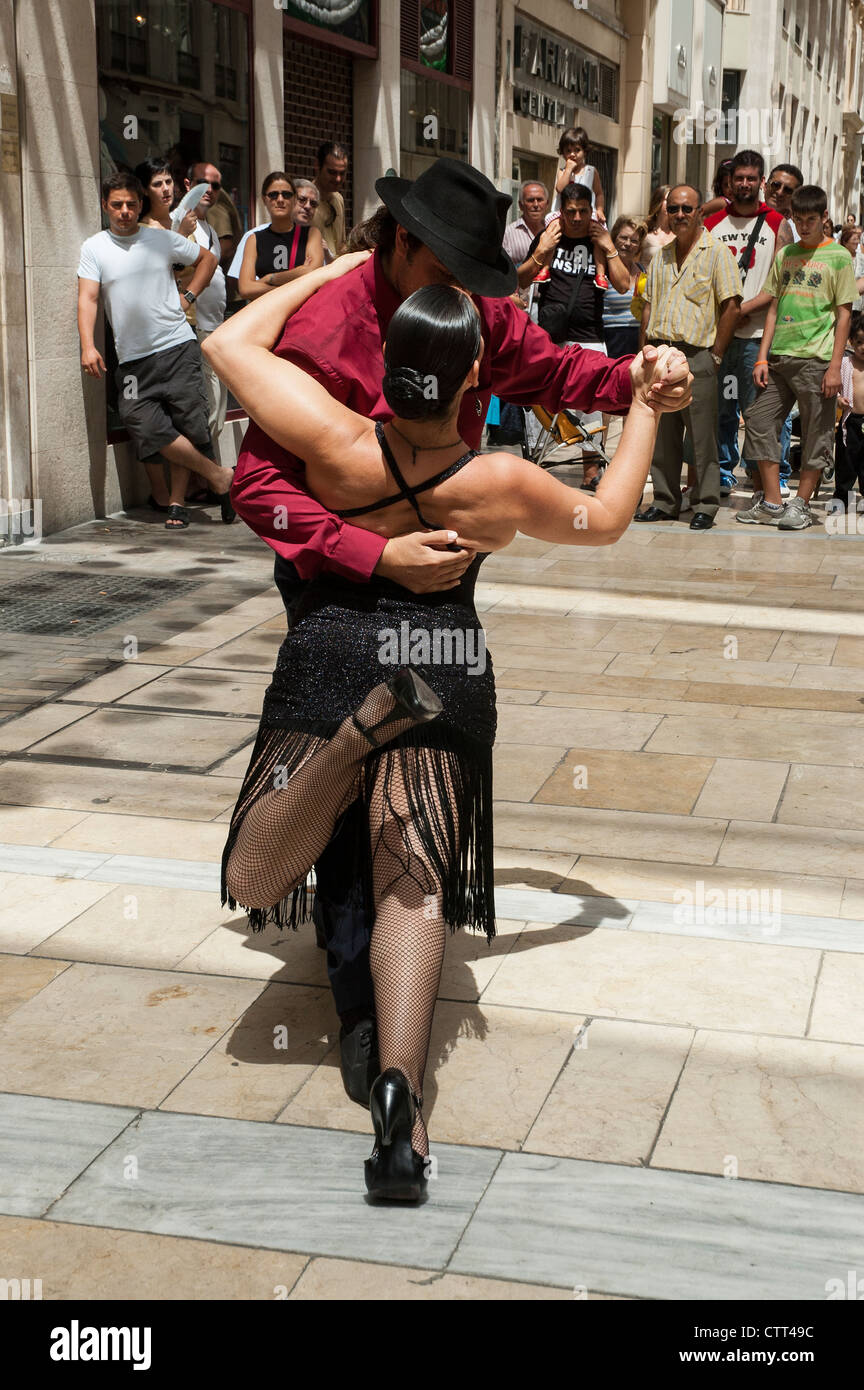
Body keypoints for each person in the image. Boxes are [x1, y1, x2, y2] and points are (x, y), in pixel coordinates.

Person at [204, 253, 690, 1201]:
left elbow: (228, 339)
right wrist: (644, 407)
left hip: (334, 649)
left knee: (254, 874)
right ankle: (402, 1098)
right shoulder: (500, 481)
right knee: (412, 880)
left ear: (384, 365)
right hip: (444, 662)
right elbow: (608, 518)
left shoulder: (332, 436)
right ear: (475, 381)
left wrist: (340, 260)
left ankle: (350, 741)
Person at [77, 173, 235, 532]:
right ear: (105, 206)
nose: (124, 211)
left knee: (188, 424)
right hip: (133, 360)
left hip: (176, 346)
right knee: (141, 420)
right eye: (116, 205)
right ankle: (219, 476)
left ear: (139, 206)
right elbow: (87, 298)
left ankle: (177, 503)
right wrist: (88, 344)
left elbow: (208, 260)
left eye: (131, 204)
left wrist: (189, 296)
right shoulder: (94, 248)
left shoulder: (160, 239)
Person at [741, 183, 857, 530]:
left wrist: (836, 367)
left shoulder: (838, 256)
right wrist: (762, 357)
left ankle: (802, 504)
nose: (804, 225)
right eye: (798, 218)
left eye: (811, 219)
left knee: (816, 434)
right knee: (759, 420)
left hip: (817, 360)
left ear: (824, 218)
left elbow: (844, 314)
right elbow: (774, 307)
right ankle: (774, 502)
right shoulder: (785, 254)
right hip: (778, 357)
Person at [636, 183, 743, 531]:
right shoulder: (662, 256)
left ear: (700, 213)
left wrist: (715, 355)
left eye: (687, 209)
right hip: (660, 354)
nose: (680, 215)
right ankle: (666, 501)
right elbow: (648, 309)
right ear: (666, 212)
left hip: (698, 357)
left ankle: (705, 503)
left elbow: (731, 306)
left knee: (701, 438)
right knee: (662, 437)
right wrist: (645, 354)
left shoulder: (717, 253)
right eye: (674, 209)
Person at [518, 183, 632, 488]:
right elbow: (520, 279)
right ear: (562, 211)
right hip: (550, 334)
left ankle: (591, 475)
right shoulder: (549, 237)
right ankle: (535, 472)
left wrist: (609, 248)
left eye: (583, 210)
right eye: (571, 212)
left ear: (591, 209)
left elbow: (622, 285)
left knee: (591, 407)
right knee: (540, 404)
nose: (578, 217)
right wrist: (541, 252)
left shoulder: (599, 239)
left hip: (590, 334)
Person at [704, 150, 792, 496]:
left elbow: (782, 282)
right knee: (722, 406)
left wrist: (745, 309)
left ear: (762, 181)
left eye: (751, 178)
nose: (744, 184)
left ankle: (767, 479)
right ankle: (724, 470)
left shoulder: (776, 223)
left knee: (760, 412)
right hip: (720, 337)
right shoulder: (712, 223)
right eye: (738, 178)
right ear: (731, 181)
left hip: (757, 336)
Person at [236, 172, 324, 300]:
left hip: (299, 314)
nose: (280, 199)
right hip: (266, 314)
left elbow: (313, 272)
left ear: (294, 199)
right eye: (273, 195)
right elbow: (245, 289)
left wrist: (270, 278)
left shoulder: (311, 234)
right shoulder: (254, 239)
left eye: (287, 195)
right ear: (264, 200)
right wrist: (299, 273)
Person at [602, 216, 647, 359]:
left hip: (638, 339)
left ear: (639, 246)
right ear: (614, 238)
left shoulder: (642, 270)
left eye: (634, 241)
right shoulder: (604, 269)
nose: (628, 244)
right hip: (612, 339)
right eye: (624, 238)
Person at [833, 311, 864, 513]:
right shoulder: (846, 363)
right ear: (851, 341)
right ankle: (841, 499)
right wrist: (838, 399)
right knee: (846, 463)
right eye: (860, 341)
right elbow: (834, 387)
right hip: (850, 421)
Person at [313, 140, 348, 261]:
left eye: (342, 173)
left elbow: (341, 244)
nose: (338, 179)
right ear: (317, 166)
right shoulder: (304, 203)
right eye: (332, 172)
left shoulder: (339, 199)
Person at [502, 180, 549, 269]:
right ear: (520, 205)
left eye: (539, 200)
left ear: (547, 204)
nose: (536, 204)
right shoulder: (507, 234)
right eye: (530, 200)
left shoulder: (553, 231)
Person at [640, 185, 675, 266]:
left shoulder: (679, 234)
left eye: (673, 200)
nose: (671, 203)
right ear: (658, 202)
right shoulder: (644, 232)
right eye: (667, 200)